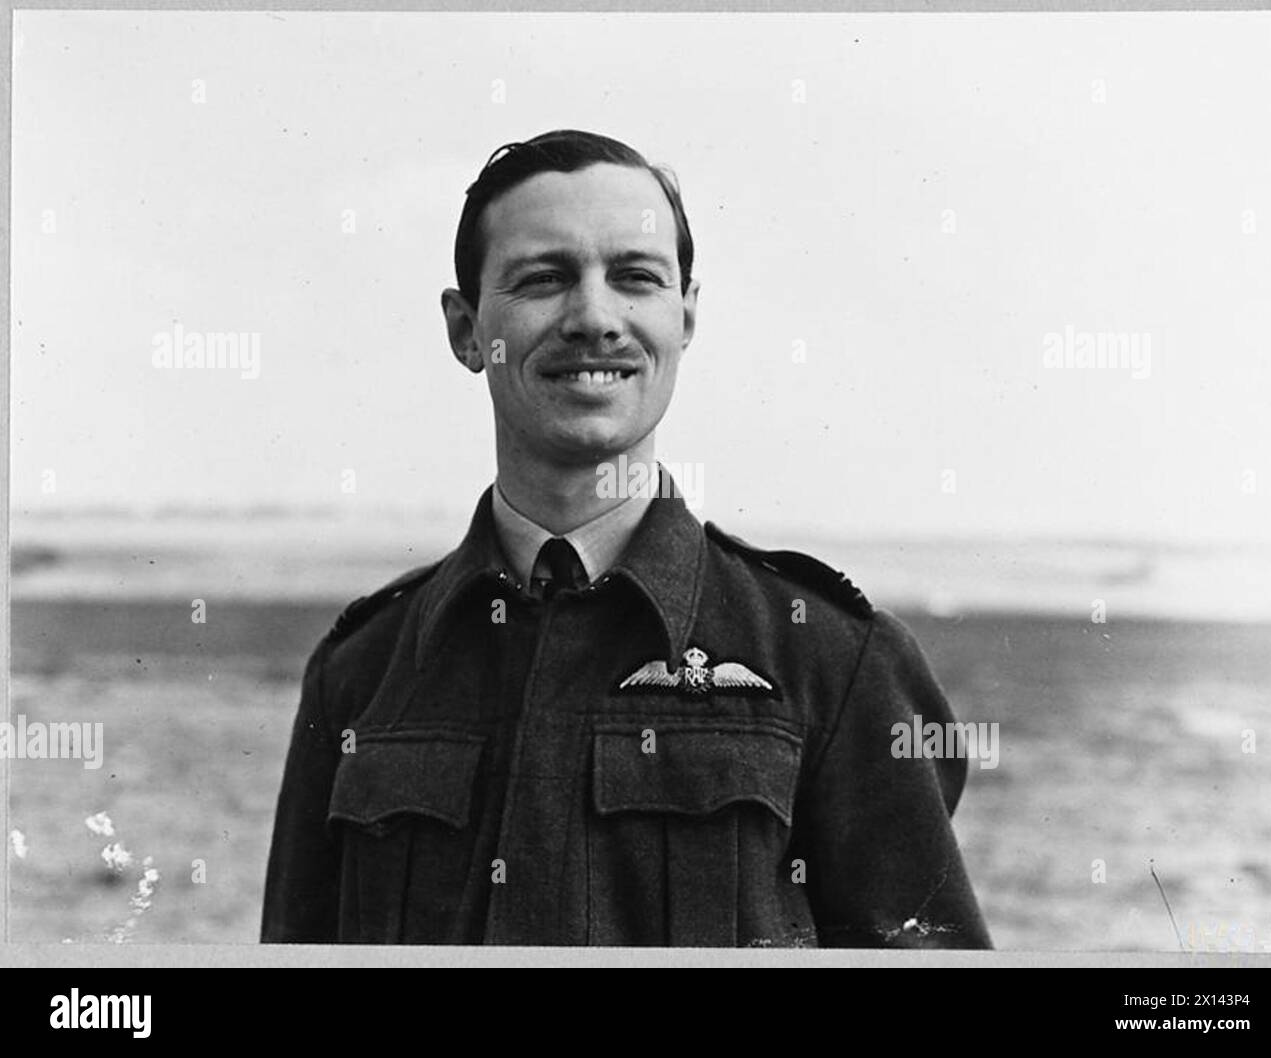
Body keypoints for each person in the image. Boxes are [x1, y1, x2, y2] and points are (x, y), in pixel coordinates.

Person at [260, 129, 993, 947]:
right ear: (466, 330)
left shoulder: (832, 662)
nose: (594, 318)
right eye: (545, 279)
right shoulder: (361, 674)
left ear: (683, 319)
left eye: (635, 279)